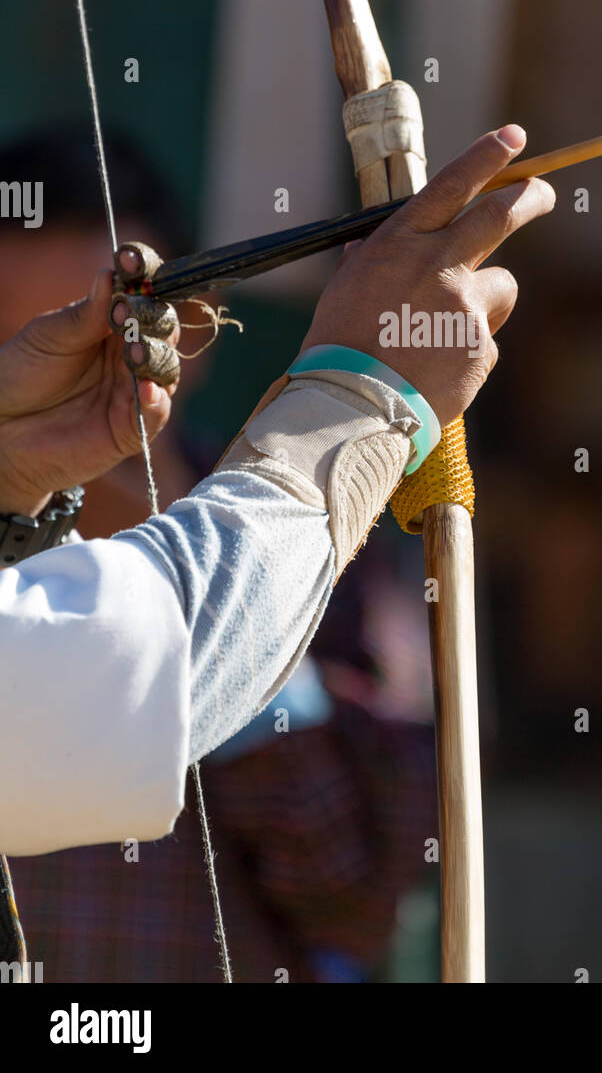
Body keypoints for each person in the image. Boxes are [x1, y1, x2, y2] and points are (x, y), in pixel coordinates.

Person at [0, 125, 554, 860]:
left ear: (191, 323)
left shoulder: (359, 577)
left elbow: (365, 890)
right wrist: (361, 395)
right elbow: (81, 683)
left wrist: (18, 497)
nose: (67, 373)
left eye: (103, 335)